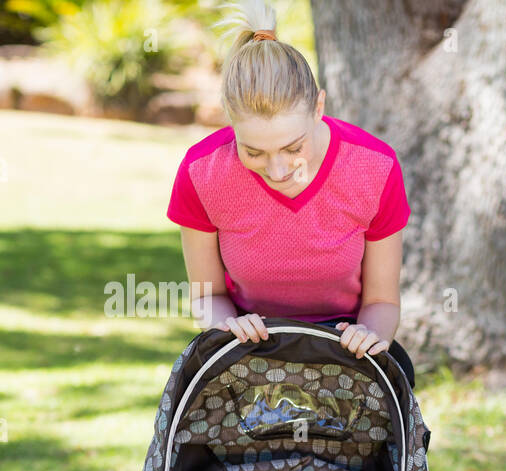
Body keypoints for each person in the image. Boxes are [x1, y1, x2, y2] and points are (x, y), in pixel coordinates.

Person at [167, 0, 407, 359]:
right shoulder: (202, 173)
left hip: (343, 345)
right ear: (230, 121)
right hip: (249, 342)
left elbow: (383, 300)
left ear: (319, 108)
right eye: (253, 152)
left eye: (293, 147)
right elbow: (207, 295)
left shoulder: (375, 167)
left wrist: (368, 334)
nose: (277, 171)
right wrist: (228, 326)